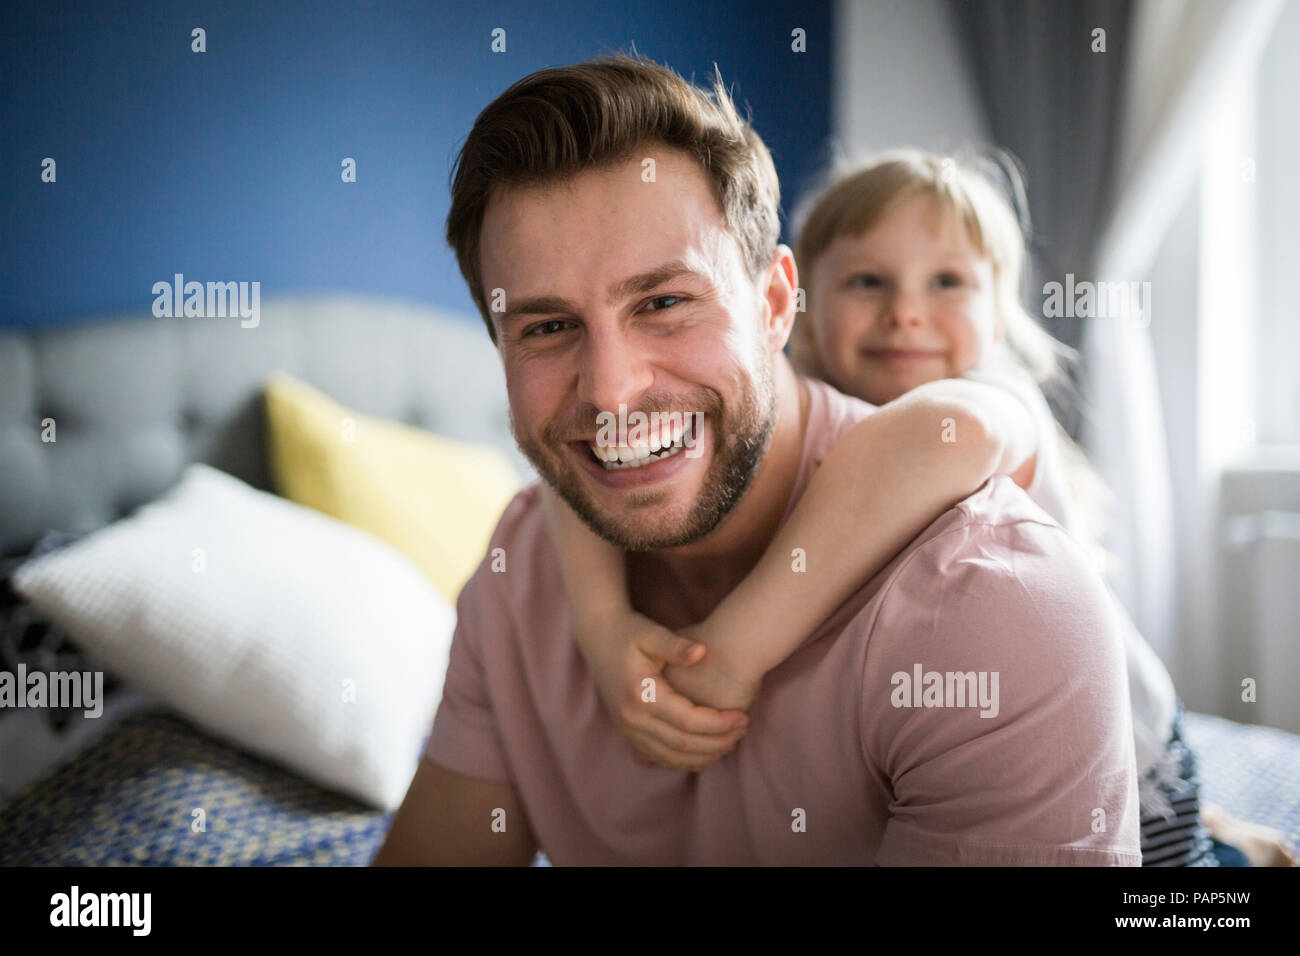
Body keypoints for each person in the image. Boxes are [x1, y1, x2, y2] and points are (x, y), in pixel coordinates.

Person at [373, 53, 1140, 866]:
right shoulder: (523, 566)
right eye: (547, 327)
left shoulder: (990, 599)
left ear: (776, 304)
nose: (611, 392)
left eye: (664, 303)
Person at [548, 146, 1295, 868]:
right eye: (868, 283)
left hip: (1122, 762)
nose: (906, 312)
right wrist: (602, 625)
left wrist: (733, 651)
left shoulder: (995, 399)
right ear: (796, 310)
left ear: (998, 318)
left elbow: (936, 439)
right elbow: (575, 476)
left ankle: (1229, 854)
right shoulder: (782, 406)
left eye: (947, 284)